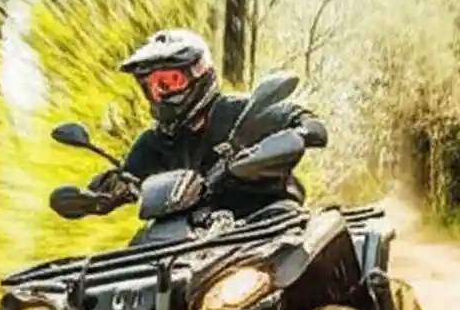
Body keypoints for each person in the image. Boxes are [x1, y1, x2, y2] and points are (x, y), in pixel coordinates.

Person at [81, 28, 327, 220]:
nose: (160, 94)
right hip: (189, 240)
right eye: (151, 87)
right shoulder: (152, 143)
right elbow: (129, 178)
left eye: (169, 81)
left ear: (199, 73)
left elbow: (305, 121)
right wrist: (97, 195)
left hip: (264, 223)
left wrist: (301, 132)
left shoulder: (242, 112)